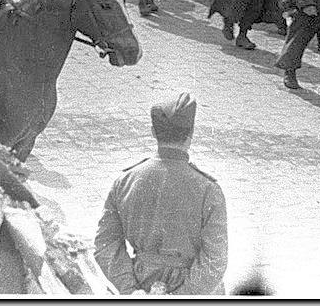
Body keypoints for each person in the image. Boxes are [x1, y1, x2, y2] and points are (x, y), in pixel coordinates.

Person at [94, 92, 227, 295]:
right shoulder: (208, 190)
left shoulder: (125, 182)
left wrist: (130, 290)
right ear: (191, 133)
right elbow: (215, 260)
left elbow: (105, 245)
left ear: (153, 132)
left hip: (141, 282)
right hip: (194, 289)